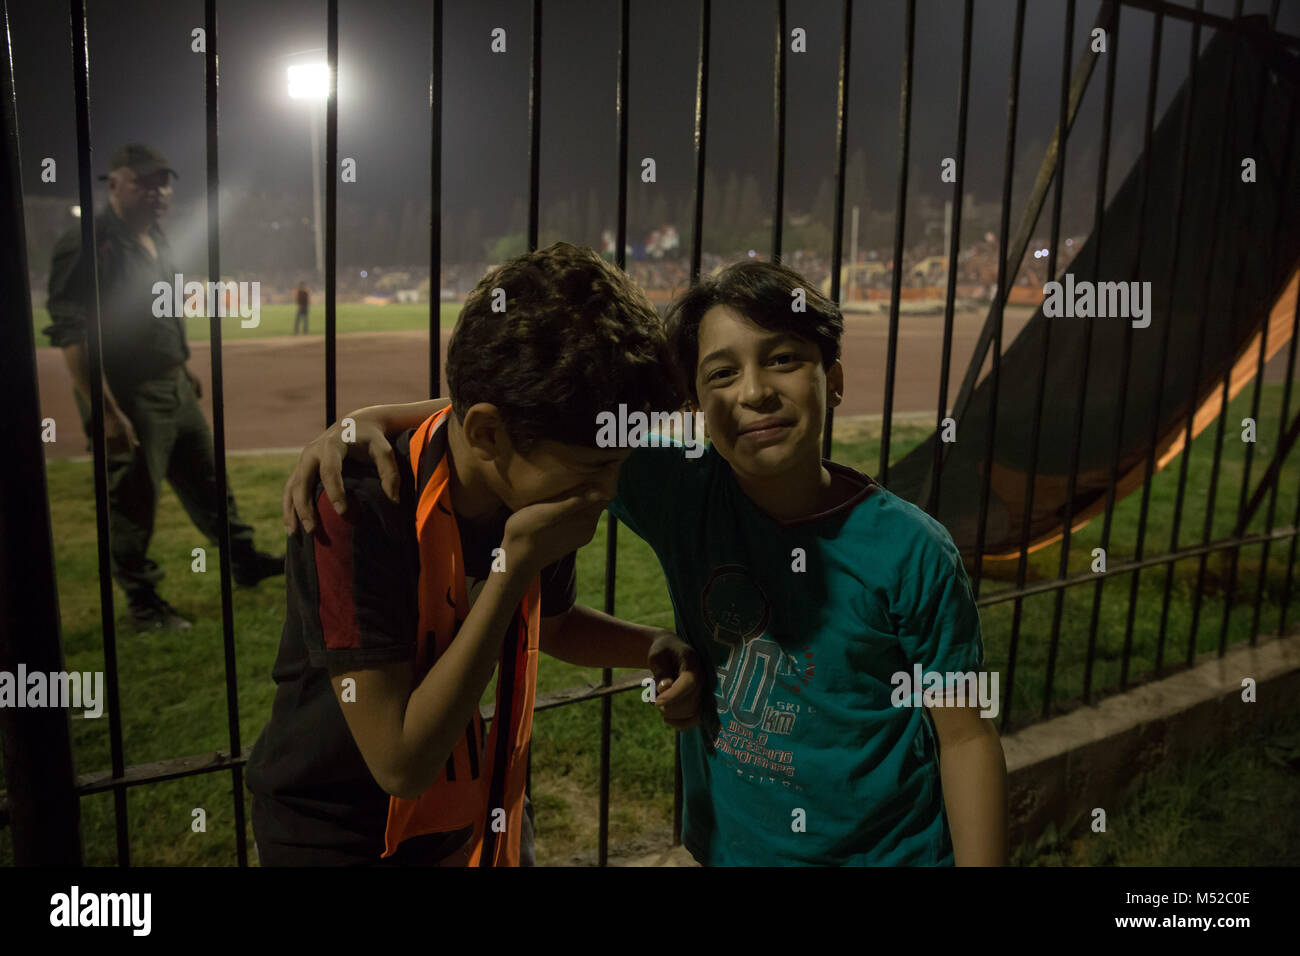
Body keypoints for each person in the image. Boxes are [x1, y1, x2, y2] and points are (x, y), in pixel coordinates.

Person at [286, 258, 1009, 866]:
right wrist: (374, 421)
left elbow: (969, 737)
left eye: (785, 359)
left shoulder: (914, 552)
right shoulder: (650, 487)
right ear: (696, 401)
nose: (604, 496)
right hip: (717, 849)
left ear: (835, 377)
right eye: (721, 373)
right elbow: (528, 417)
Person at [247, 243, 705, 866]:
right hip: (336, 831)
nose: (606, 492)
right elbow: (399, 762)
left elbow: (557, 621)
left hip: (472, 803)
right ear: (489, 434)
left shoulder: (526, 475)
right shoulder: (355, 504)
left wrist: (651, 645)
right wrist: (510, 570)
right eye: (594, 468)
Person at [44, 143, 285, 633]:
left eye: (164, 182)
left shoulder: (156, 236)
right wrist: (105, 410)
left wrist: (181, 364)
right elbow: (70, 330)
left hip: (172, 383)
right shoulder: (87, 243)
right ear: (114, 184)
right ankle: (143, 603)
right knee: (133, 501)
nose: (159, 192)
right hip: (125, 394)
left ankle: (244, 562)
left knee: (211, 484)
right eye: (145, 182)